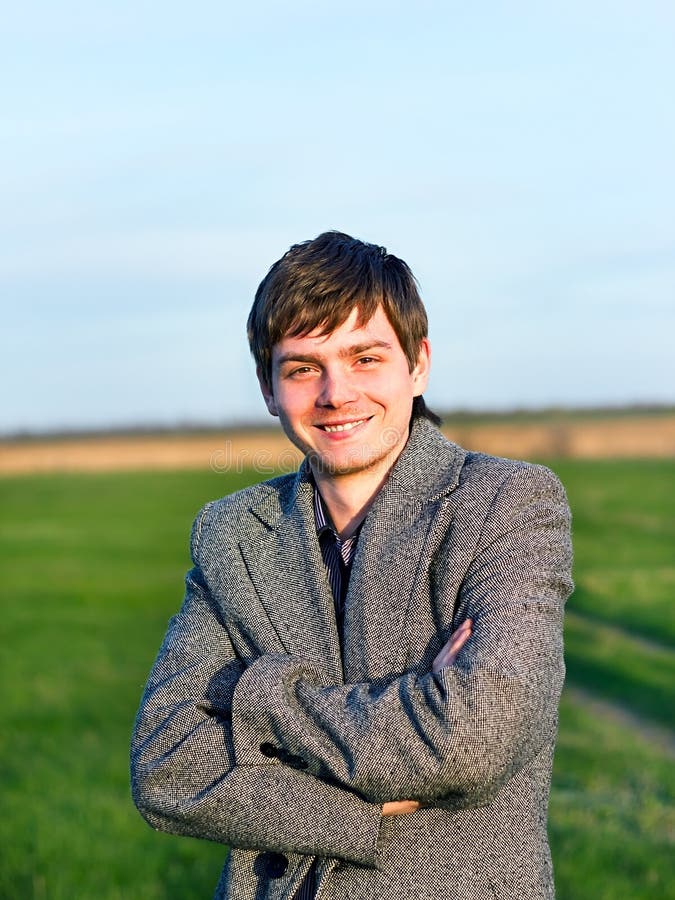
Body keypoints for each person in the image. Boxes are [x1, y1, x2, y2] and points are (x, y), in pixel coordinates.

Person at [131, 231, 573, 900]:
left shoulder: (505, 505)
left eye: (364, 357)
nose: (336, 393)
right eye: (303, 367)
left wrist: (256, 698)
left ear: (417, 365)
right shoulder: (232, 535)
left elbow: (472, 741)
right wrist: (359, 814)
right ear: (268, 387)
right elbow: (166, 766)